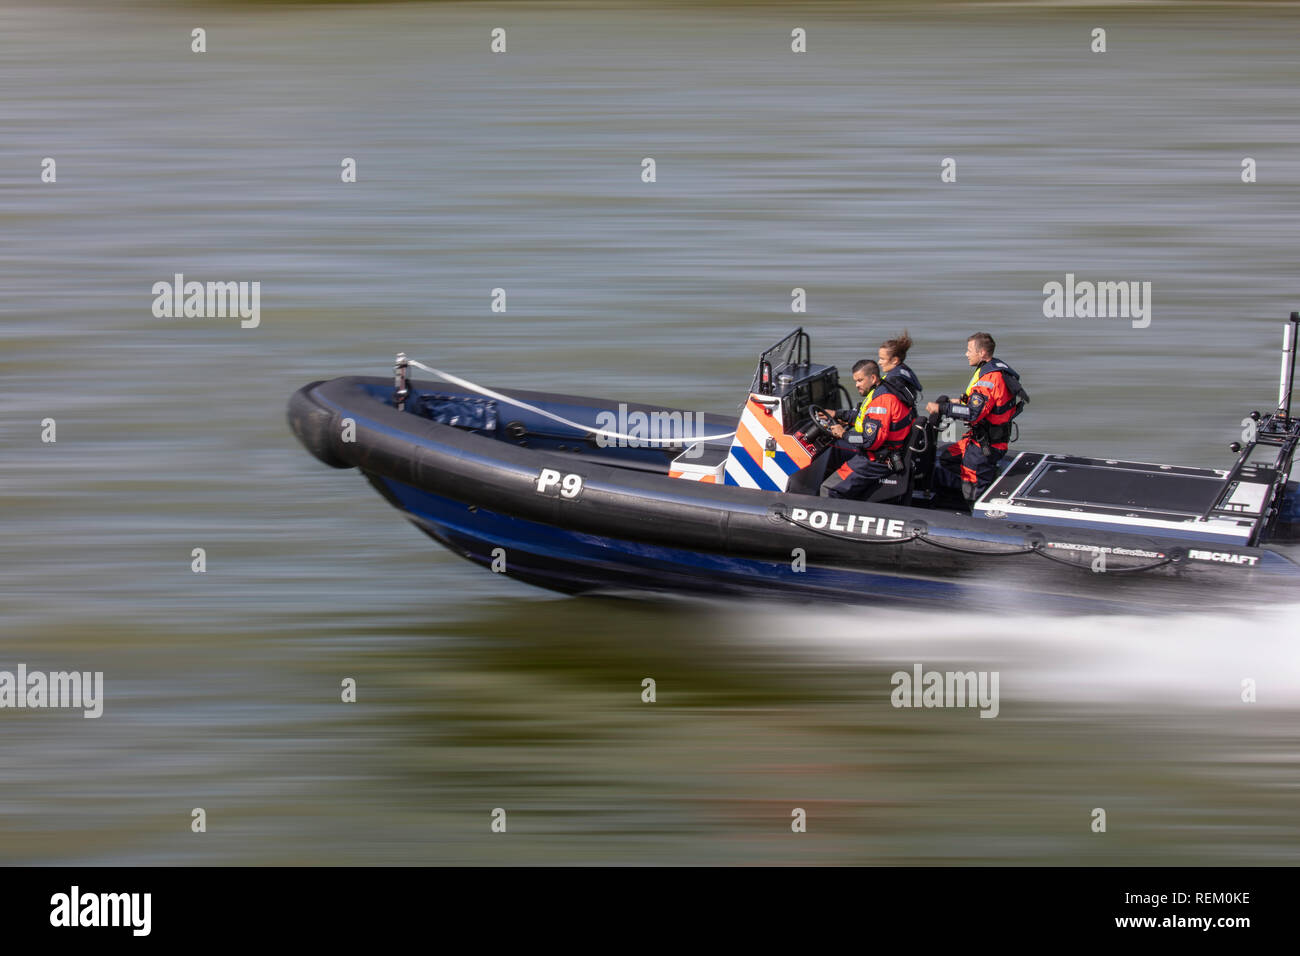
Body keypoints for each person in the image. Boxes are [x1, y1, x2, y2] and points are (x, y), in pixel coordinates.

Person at [924, 332, 1029, 505]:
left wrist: (942, 408)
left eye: (969, 350)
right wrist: (954, 402)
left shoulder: (988, 380)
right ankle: (965, 490)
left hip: (984, 446)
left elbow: (973, 413)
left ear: (981, 353)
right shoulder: (993, 369)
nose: (966, 354)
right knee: (947, 457)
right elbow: (980, 403)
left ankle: (976, 502)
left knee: (972, 488)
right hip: (977, 440)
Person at [822, 359, 916, 500]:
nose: (857, 385)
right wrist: (837, 414)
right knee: (834, 451)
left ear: (872, 378)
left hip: (877, 460)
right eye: (855, 381)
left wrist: (844, 434)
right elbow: (863, 417)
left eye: (860, 380)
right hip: (882, 452)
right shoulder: (880, 391)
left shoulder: (881, 402)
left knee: (828, 489)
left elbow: (869, 442)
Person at [877, 330, 923, 401]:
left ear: (895, 360)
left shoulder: (894, 381)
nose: (879, 362)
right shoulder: (904, 371)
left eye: (882, 359)